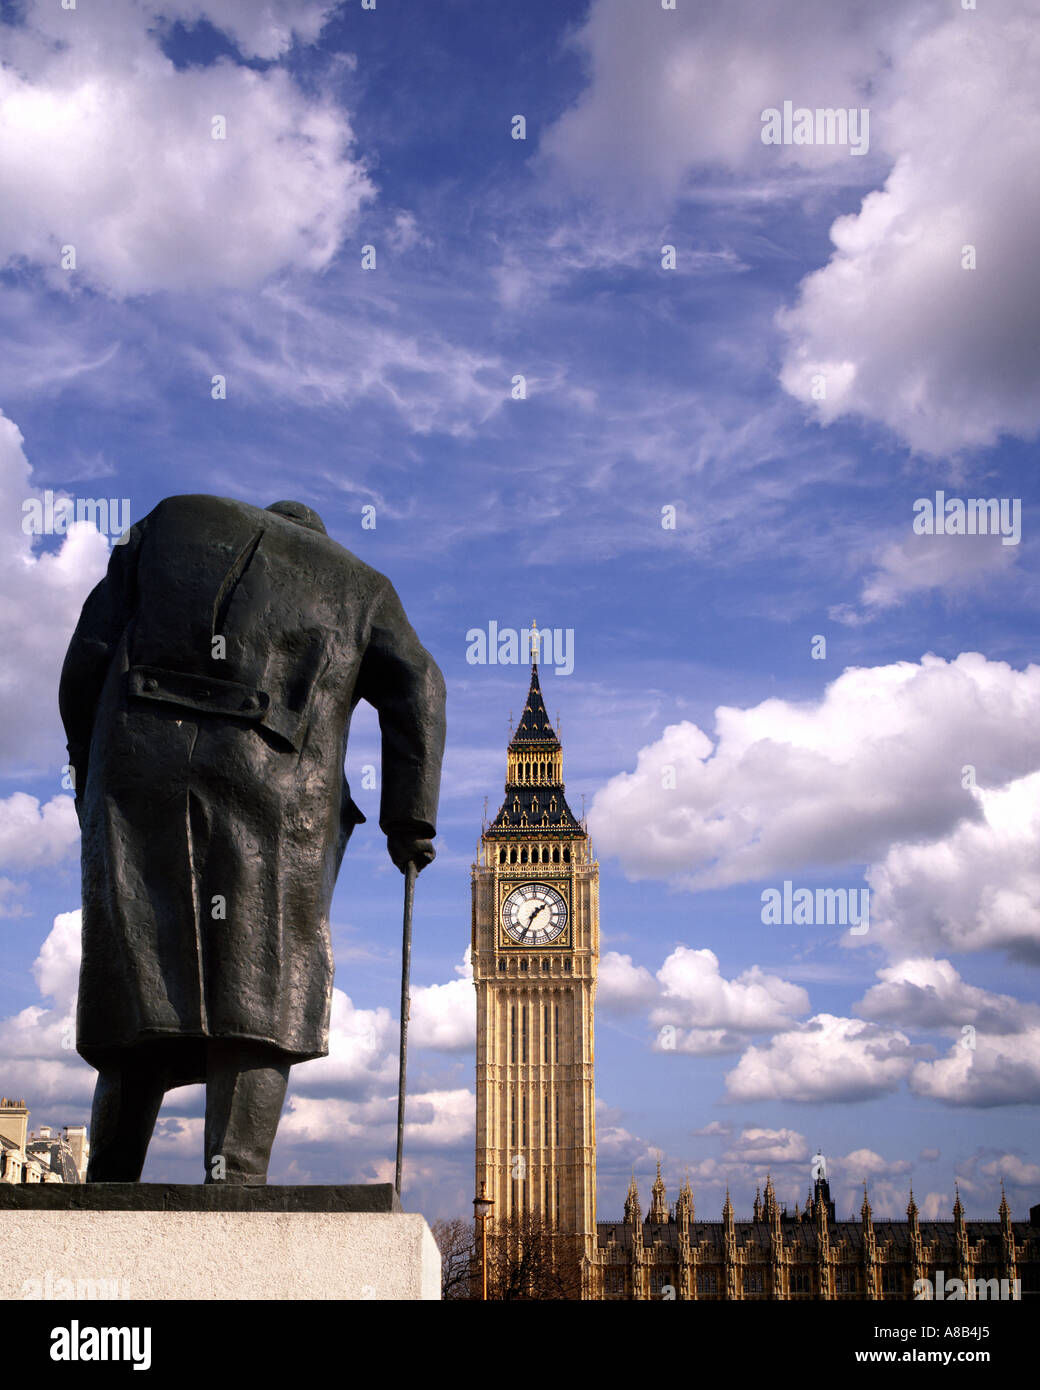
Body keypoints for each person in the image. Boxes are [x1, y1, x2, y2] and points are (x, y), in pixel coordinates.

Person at [59, 495, 445, 1183]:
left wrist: (91, 765)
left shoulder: (169, 522)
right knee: (262, 977)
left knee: (138, 976)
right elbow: (418, 682)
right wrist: (408, 822)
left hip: (136, 769)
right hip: (275, 792)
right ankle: (232, 1174)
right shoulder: (361, 584)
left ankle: (110, 1176)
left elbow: (87, 656)